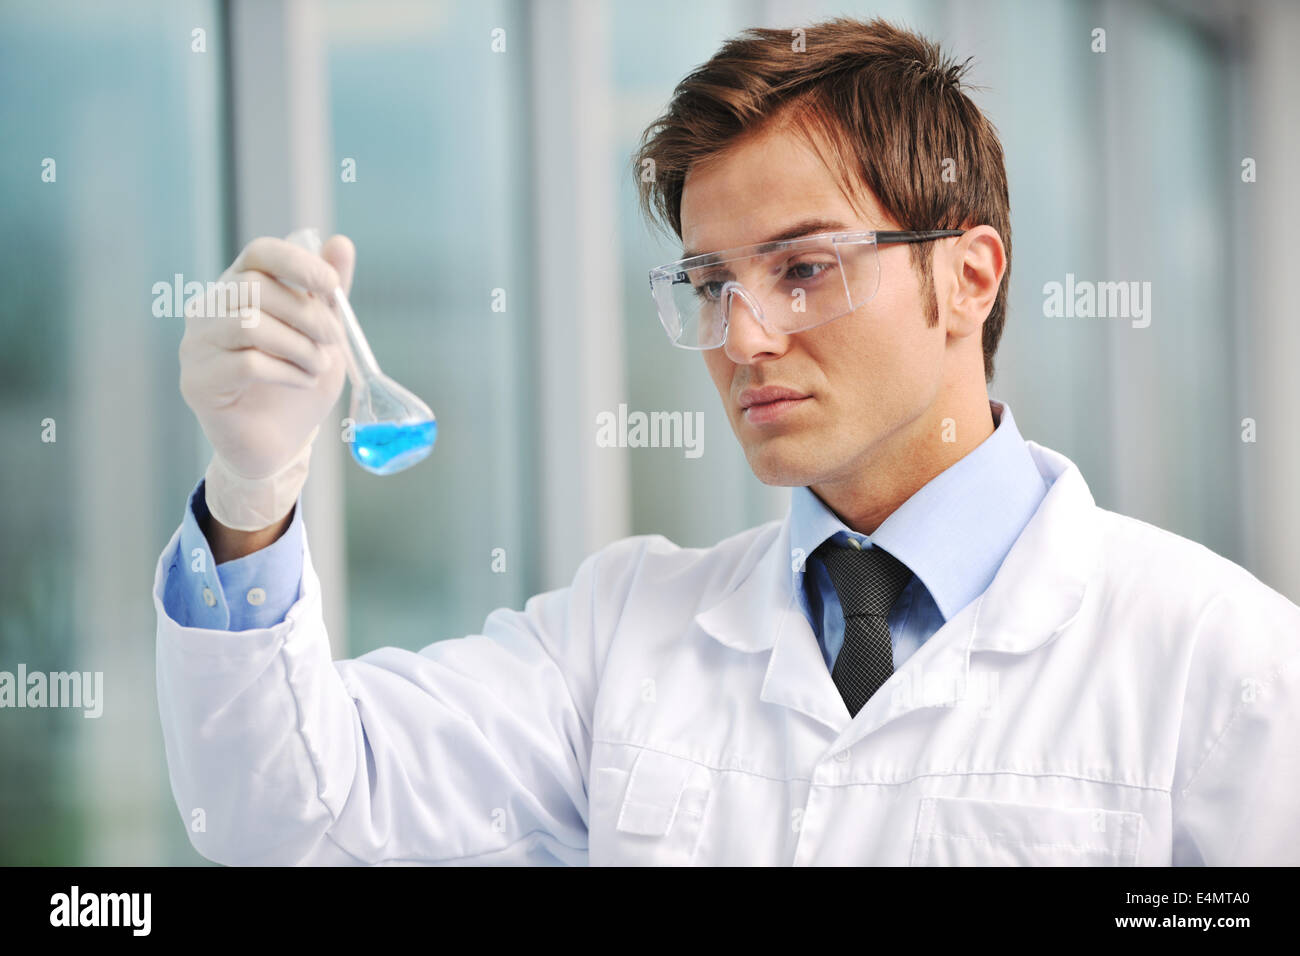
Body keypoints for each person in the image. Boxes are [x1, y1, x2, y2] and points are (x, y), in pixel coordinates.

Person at [154, 16, 1299, 866]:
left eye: (803, 269)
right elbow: (281, 811)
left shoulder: (1224, 661)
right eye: (709, 283)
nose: (741, 335)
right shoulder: (623, 634)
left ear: (967, 273)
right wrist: (251, 486)